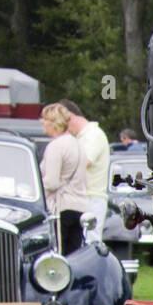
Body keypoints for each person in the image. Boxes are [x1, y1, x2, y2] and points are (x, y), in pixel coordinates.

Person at [39, 103, 89, 255]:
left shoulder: (56, 146)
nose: (42, 122)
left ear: (54, 123)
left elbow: (51, 182)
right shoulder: (78, 144)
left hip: (61, 207)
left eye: (45, 119)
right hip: (80, 206)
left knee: (59, 255)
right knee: (74, 255)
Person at [58, 99, 110, 243]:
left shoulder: (93, 135)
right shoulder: (82, 137)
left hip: (91, 198)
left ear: (69, 116)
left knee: (90, 243)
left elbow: (84, 162)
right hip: (83, 198)